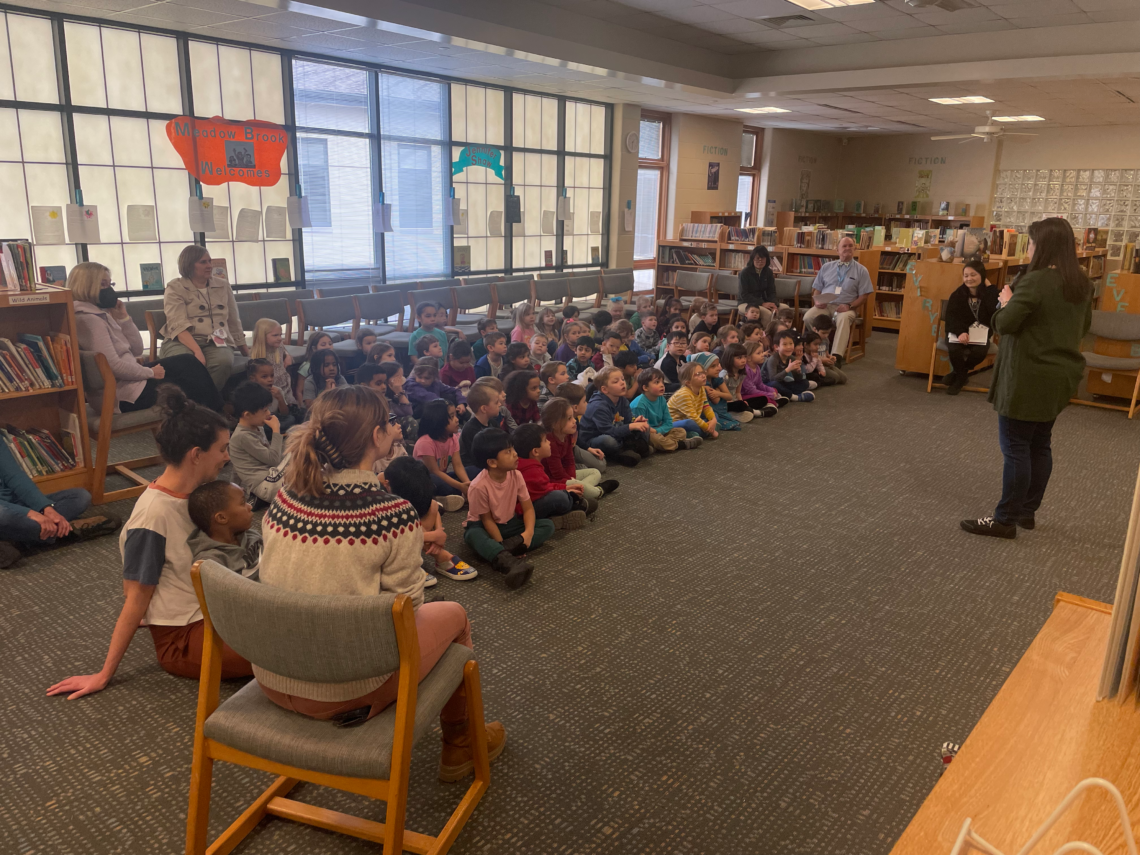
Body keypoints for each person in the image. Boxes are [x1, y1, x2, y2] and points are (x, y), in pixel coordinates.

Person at [254, 385, 505, 779]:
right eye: (389, 422)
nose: (393, 427)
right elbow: (406, 615)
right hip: (344, 690)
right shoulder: (393, 514)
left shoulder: (286, 497)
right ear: (376, 436)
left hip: (270, 673)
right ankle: (460, 742)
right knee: (455, 615)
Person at [47, 387, 251, 699]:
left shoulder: (198, 495)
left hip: (216, 610)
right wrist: (103, 674)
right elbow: (135, 597)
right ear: (196, 455)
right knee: (286, 652)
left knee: (295, 625)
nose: (227, 456)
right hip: (183, 638)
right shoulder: (153, 516)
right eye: (222, 449)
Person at [961, 217, 1094, 539]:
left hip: (1027, 376)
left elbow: (1004, 324)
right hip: (1059, 375)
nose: (1029, 249)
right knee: (1040, 444)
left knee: (1016, 447)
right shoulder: (1081, 283)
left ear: (1042, 246)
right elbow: (1084, 327)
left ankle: (1005, 519)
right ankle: (1026, 513)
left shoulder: (1035, 282)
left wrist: (1006, 302)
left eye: (1031, 243)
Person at [69, 262, 224, 412]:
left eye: (110, 284)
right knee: (190, 379)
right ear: (86, 286)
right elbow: (113, 366)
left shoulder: (98, 314)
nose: (109, 290)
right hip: (123, 395)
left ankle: (211, 416)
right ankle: (216, 417)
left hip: (128, 382)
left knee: (188, 362)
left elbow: (136, 349)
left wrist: (123, 318)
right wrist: (150, 373)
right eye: (103, 284)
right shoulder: (90, 320)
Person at [0, 443, 117, 569]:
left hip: (16, 503)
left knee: (80, 497)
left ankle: (18, 541)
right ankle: (65, 532)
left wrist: (46, 508)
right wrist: (29, 513)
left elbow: (15, 477)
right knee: (5, 515)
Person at [463, 427, 553, 588]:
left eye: (513, 449)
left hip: (508, 523)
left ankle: (498, 552)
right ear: (492, 462)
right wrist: (501, 542)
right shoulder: (478, 486)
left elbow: (528, 508)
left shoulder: (516, 475)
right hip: (484, 526)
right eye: (508, 452)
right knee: (473, 535)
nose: (515, 454)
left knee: (547, 525)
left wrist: (528, 534)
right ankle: (509, 562)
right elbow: (487, 520)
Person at [159, 245, 248, 391]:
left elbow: (233, 321)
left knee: (223, 362)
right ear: (189, 265)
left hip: (215, 341)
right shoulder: (175, 287)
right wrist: (197, 352)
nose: (209, 266)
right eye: (203, 262)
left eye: (209, 261)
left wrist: (246, 352)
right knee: (187, 363)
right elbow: (178, 325)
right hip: (182, 340)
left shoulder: (222, 285)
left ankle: (202, 402)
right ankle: (194, 402)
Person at [384, 456, 477, 582]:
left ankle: (435, 556)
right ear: (387, 485)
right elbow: (390, 534)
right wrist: (432, 536)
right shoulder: (377, 494)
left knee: (432, 506)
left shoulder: (404, 482)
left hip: (410, 525)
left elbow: (432, 505)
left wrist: (439, 530)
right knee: (402, 515)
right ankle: (437, 557)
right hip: (384, 540)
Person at [802, 236, 873, 365]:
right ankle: (819, 347)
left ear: (855, 249)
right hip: (825, 305)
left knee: (843, 319)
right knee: (808, 317)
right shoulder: (826, 267)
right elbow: (817, 289)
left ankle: (836, 356)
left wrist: (849, 306)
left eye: (850, 246)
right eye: (844, 246)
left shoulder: (861, 270)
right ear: (837, 250)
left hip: (846, 307)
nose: (847, 248)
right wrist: (817, 301)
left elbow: (864, 296)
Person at [511, 423, 591, 529]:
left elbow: (545, 487)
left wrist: (565, 487)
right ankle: (573, 505)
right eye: (545, 440)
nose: (549, 442)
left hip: (528, 506)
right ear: (535, 451)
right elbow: (545, 492)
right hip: (522, 513)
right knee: (560, 498)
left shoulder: (529, 465)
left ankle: (561, 515)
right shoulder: (531, 471)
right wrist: (567, 492)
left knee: (560, 494)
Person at [540, 397, 617, 501]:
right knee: (576, 483)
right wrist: (570, 480)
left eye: (573, 417)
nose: (574, 421)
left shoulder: (567, 435)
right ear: (555, 424)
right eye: (569, 418)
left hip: (564, 477)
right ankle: (599, 491)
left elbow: (569, 461)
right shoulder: (550, 442)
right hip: (553, 480)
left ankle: (578, 493)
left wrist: (572, 477)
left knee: (595, 472)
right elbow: (556, 473)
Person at [943, 259, 1000, 395]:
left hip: (980, 334)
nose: (969, 279)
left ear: (982, 275)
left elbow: (994, 311)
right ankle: (961, 378)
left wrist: (990, 288)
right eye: (966, 275)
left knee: (980, 352)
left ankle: (959, 374)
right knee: (954, 349)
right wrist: (961, 332)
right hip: (959, 332)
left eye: (973, 275)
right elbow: (951, 318)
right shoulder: (957, 294)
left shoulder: (989, 294)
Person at [186, 480, 262, 579]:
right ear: (222, 518)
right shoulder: (212, 563)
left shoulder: (249, 534)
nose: (250, 506)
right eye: (243, 503)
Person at [577, 367, 651, 467]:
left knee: (644, 427)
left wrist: (635, 421)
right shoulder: (598, 405)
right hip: (596, 438)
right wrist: (631, 426)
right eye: (616, 381)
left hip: (617, 434)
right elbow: (609, 431)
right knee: (608, 441)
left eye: (622, 379)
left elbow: (628, 421)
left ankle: (628, 449)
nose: (622, 383)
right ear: (604, 389)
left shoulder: (622, 399)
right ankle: (620, 453)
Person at [228, 381, 288, 505]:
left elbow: (237, 465)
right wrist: (276, 430)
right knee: (296, 454)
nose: (268, 413)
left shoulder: (257, 427)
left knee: (299, 459)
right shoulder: (242, 436)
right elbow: (274, 460)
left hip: (270, 479)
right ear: (247, 415)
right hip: (265, 485)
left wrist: (235, 487)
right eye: (264, 410)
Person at [414, 399, 471, 509]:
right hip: (426, 482)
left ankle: (453, 496)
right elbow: (434, 472)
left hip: (443, 477)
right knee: (438, 482)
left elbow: (458, 465)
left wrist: (468, 484)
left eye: (456, 415)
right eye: (452, 416)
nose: (457, 419)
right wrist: (460, 486)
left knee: (474, 471)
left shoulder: (453, 438)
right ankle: (438, 499)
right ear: (439, 420)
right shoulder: (425, 442)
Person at [630, 368, 702, 452]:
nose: (662, 385)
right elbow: (641, 430)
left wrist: (658, 430)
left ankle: (660, 446)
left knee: (681, 431)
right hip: (647, 434)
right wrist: (656, 432)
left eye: (662, 382)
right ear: (645, 387)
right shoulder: (639, 405)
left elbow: (668, 422)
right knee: (655, 439)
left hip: (658, 430)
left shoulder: (661, 399)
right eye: (657, 382)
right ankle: (681, 444)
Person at [249, 319, 301, 417]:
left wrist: (287, 355)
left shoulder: (279, 346)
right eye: (275, 335)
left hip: (285, 391)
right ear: (262, 337)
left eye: (280, 335)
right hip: (270, 394)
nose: (280, 338)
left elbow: (284, 349)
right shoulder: (257, 358)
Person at [555, 382, 608, 475]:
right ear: (575, 407)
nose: (587, 403)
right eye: (584, 401)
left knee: (601, 463)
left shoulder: (575, 419)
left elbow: (576, 439)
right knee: (597, 468)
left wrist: (588, 448)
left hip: (573, 448)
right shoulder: (562, 426)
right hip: (563, 454)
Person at [721, 342, 776, 417]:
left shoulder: (741, 374)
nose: (744, 360)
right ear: (730, 358)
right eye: (739, 358)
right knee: (740, 405)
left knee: (762, 399)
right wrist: (738, 403)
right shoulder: (724, 375)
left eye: (745, 357)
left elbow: (738, 393)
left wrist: (741, 401)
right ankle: (756, 412)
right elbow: (722, 396)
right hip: (725, 403)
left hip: (735, 401)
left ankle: (746, 411)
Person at [667, 362, 718, 439]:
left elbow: (706, 407)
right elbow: (693, 417)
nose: (703, 375)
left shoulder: (701, 388)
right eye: (698, 374)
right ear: (688, 382)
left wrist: (713, 420)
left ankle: (695, 433)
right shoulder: (684, 394)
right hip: (674, 423)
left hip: (692, 419)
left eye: (703, 372)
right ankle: (707, 431)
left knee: (715, 415)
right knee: (689, 423)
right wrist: (710, 429)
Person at [694, 352, 744, 430]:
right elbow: (716, 401)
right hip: (708, 412)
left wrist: (718, 392)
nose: (719, 368)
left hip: (721, 409)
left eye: (718, 365)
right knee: (718, 419)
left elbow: (729, 397)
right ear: (704, 369)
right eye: (713, 366)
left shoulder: (717, 379)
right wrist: (720, 392)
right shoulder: (703, 383)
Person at [762, 330, 814, 402]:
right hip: (767, 385)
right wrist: (788, 369)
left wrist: (797, 371)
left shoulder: (791, 358)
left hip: (781, 382)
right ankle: (795, 397)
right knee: (774, 384)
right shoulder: (773, 359)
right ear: (776, 347)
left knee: (805, 382)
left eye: (791, 343)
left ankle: (785, 394)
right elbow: (773, 379)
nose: (789, 347)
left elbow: (798, 379)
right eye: (785, 344)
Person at [738, 245, 779, 326]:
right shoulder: (745, 273)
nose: (760, 260)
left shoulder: (768, 272)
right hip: (746, 302)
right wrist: (762, 303)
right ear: (752, 259)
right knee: (767, 314)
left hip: (763, 301)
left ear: (766, 259)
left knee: (784, 310)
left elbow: (771, 292)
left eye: (762, 258)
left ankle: (779, 333)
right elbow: (744, 295)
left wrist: (774, 304)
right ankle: (764, 333)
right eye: (757, 258)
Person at [743, 339, 785, 412]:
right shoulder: (745, 370)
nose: (762, 355)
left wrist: (771, 391)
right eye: (758, 353)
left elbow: (760, 385)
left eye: (762, 352)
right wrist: (768, 394)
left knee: (774, 389)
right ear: (748, 358)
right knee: (762, 397)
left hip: (754, 392)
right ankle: (773, 403)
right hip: (745, 395)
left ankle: (772, 403)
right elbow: (750, 390)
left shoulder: (757, 367)